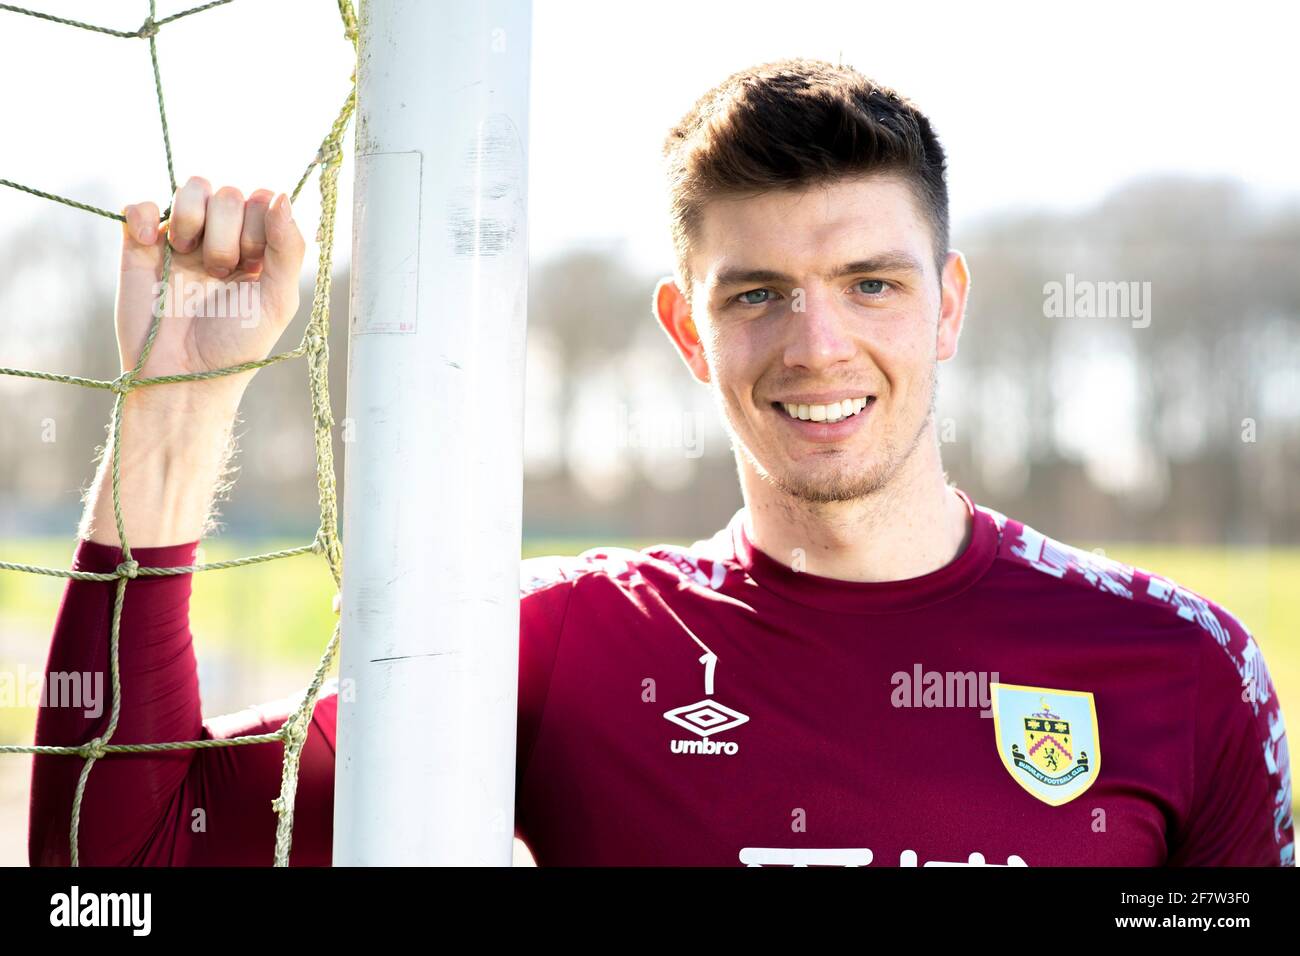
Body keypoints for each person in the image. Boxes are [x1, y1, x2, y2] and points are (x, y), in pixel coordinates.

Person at [29, 58, 1292, 867]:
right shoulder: (568, 647)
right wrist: (179, 402)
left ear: (947, 304)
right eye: (756, 293)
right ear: (687, 329)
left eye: (870, 282)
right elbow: (115, 866)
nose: (817, 343)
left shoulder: (1181, 669)